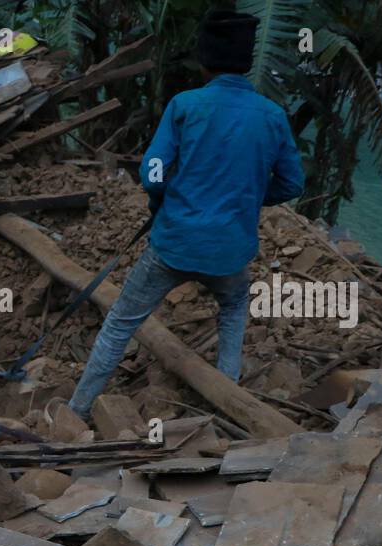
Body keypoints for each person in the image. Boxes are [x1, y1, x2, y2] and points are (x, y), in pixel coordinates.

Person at [67, 9, 305, 421]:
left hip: (173, 243)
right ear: (247, 61)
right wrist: (244, 198)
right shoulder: (272, 116)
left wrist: (162, 200)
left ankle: (78, 409)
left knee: (121, 322)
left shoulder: (185, 105)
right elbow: (292, 185)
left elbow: (152, 171)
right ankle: (227, 406)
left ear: (205, 61)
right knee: (232, 310)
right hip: (229, 250)